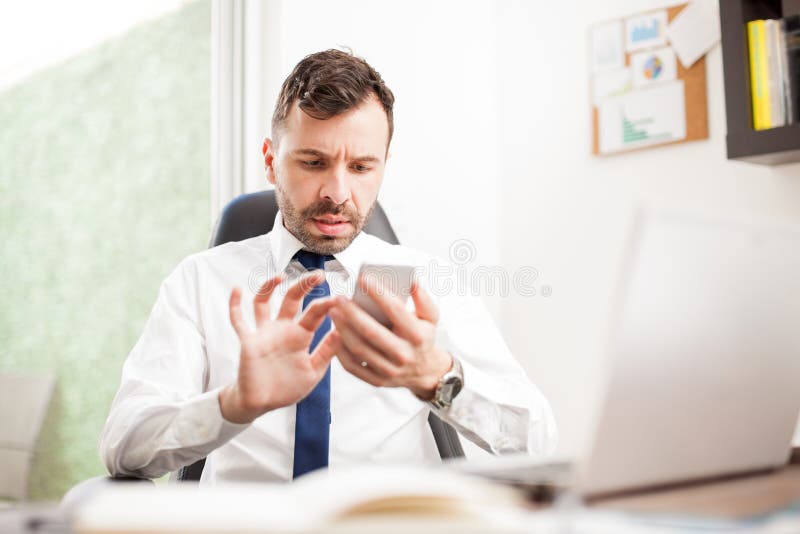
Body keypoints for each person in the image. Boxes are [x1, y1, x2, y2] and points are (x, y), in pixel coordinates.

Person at [100, 49, 557, 482]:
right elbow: (123, 445)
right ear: (270, 161)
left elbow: (539, 443)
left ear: (382, 167)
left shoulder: (427, 282)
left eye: (361, 167)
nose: (337, 192)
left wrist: (439, 377)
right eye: (313, 162)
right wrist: (231, 404)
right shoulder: (200, 282)